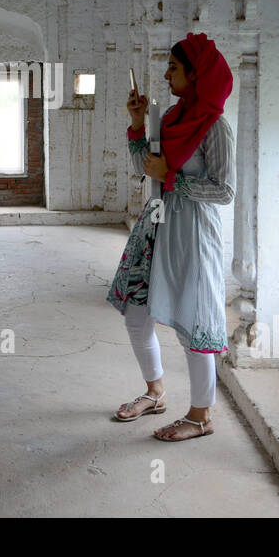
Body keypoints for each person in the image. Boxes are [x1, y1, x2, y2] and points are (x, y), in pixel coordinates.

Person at [106, 33, 236, 441]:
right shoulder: (171, 117)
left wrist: (173, 179)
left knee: (195, 325)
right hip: (156, 223)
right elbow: (147, 167)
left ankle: (200, 416)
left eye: (174, 68)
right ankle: (156, 392)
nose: (166, 75)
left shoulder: (215, 126)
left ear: (197, 75)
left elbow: (224, 191)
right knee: (135, 315)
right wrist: (137, 125)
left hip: (192, 234)